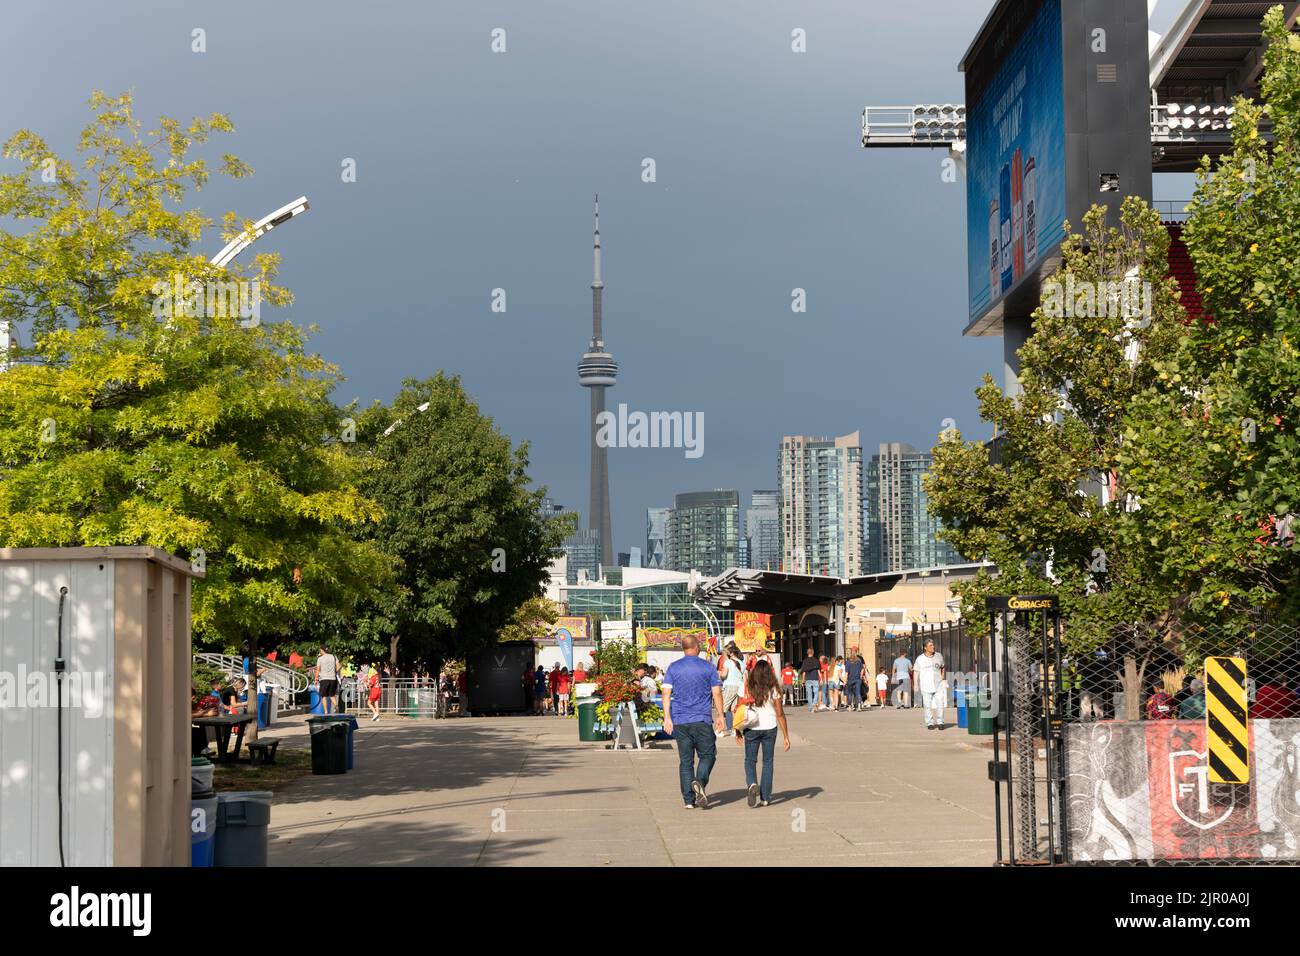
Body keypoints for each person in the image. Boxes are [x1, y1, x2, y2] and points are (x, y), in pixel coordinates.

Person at [663, 634, 726, 809]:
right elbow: (717, 693)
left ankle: (688, 801)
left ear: (683, 648)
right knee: (707, 755)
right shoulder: (708, 667)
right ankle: (699, 781)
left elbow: (666, 694)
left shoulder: (673, 668)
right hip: (702, 719)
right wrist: (720, 715)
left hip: (680, 720)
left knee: (685, 761)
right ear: (697, 647)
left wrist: (667, 718)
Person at [740, 660, 791, 808]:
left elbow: (739, 709)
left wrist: (737, 730)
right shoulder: (773, 687)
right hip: (770, 727)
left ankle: (752, 783)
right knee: (768, 762)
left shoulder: (748, 686)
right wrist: (786, 736)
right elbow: (780, 713)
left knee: (750, 760)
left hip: (751, 727)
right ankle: (765, 797)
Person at [914, 638, 946, 729]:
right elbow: (916, 672)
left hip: (938, 684)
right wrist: (915, 684)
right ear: (925, 648)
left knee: (940, 703)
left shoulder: (939, 656)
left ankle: (940, 722)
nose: (933, 647)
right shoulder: (920, 659)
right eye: (930, 646)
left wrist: (942, 676)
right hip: (925, 685)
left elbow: (943, 666)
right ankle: (930, 723)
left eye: (933, 645)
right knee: (927, 705)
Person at [718, 643, 745, 734]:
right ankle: (735, 730)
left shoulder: (728, 662)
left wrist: (719, 674)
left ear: (732, 653)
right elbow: (745, 677)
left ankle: (720, 730)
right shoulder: (742, 663)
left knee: (722, 709)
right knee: (734, 709)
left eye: (728, 651)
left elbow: (724, 675)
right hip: (739, 687)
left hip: (729, 686)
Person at [314, 645, 340, 714]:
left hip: (324, 679)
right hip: (333, 678)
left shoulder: (320, 659)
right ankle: (336, 706)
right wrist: (334, 672)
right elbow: (338, 666)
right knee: (332, 695)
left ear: (322, 650)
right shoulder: (334, 657)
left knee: (324, 696)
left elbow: (318, 669)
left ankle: (326, 711)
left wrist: (316, 679)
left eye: (320, 650)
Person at [800, 648, 821, 713]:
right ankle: (814, 703)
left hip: (808, 679)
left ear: (807, 653)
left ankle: (810, 708)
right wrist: (821, 679)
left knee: (809, 694)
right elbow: (818, 671)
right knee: (816, 692)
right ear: (813, 652)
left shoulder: (805, 661)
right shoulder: (816, 660)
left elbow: (804, 672)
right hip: (815, 678)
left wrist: (803, 680)